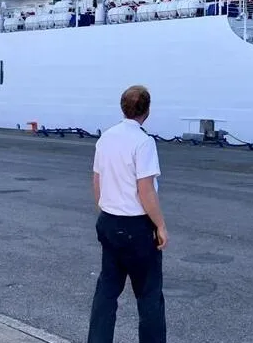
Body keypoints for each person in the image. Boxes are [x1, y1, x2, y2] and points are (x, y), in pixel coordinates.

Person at [87, 85, 167, 343]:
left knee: (107, 292)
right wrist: (161, 226)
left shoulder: (106, 138)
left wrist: (106, 210)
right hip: (138, 228)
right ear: (147, 110)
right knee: (149, 296)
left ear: (123, 107)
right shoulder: (143, 142)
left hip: (109, 221)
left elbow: (97, 181)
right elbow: (145, 190)